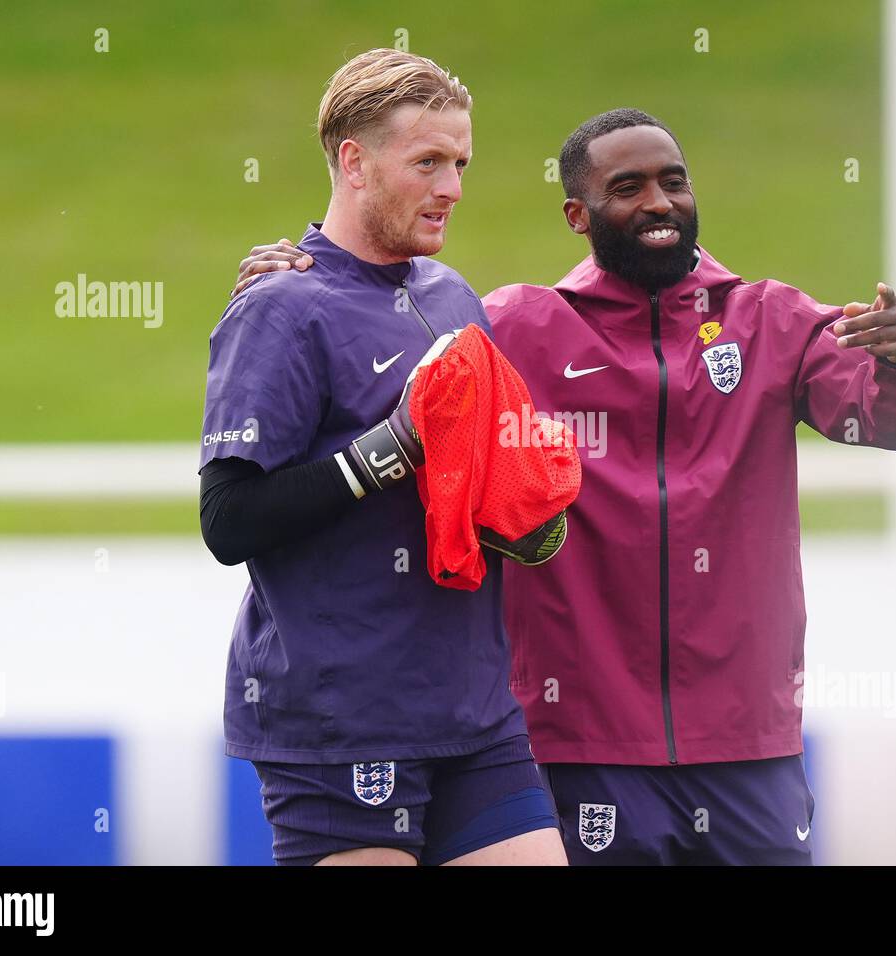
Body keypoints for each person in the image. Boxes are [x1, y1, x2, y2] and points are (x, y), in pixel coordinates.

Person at [233, 107, 896, 864]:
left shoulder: (770, 318)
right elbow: (387, 363)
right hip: (578, 742)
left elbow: (883, 416)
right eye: (628, 187)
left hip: (745, 741)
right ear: (579, 214)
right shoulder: (518, 326)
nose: (658, 202)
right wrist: (297, 283)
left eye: (673, 182)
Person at [199, 48, 566, 866]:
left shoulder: (452, 296)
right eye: (428, 162)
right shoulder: (280, 309)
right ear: (354, 162)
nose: (453, 188)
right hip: (341, 723)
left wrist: (528, 504)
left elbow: (485, 482)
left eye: (461, 163)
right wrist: (391, 449)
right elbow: (228, 522)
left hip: (474, 711)